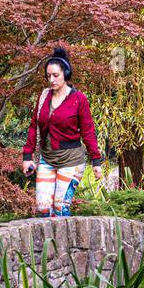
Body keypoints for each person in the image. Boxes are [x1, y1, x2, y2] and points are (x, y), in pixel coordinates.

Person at [22, 47, 104, 217]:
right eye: (48, 76)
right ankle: (49, 244)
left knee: (60, 208)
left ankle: (63, 244)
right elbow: (34, 126)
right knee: (43, 208)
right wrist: (27, 156)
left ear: (66, 73)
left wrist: (96, 161)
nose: (51, 80)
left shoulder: (78, 99)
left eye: (56, 75)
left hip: (71, 161)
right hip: (47, 159)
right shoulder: (44, 96)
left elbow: (88, 131)